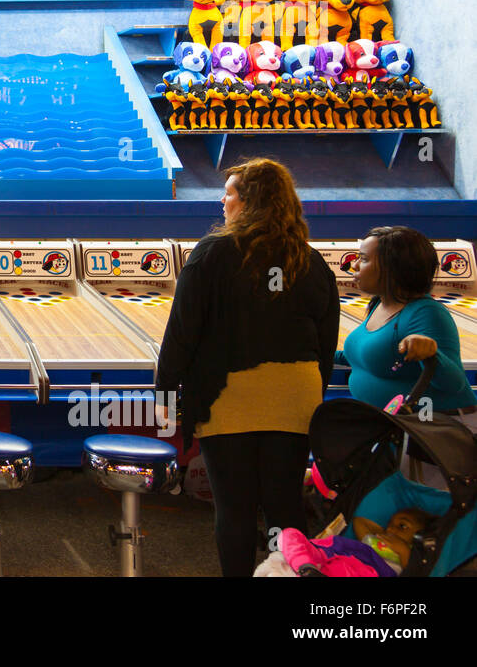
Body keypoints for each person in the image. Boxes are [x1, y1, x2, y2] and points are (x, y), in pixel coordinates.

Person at [155, 159, 340, 577]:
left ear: (250, 201)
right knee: (285, 504)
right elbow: (325, 343)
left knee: (234, 506)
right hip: (297, 394)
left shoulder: (213, 252)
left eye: (231, 193)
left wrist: (165, 394)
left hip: (230, 393)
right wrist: (314, 396)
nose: (223, 200)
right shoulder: (309, 261)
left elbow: (183, 331)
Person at [343, 226, 477, 479]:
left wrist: (431, 353)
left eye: (363, 259)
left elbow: (455, 384)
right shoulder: (381, 305)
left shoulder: (426, 313)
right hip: (397, 433)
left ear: (393, 268)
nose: (354, 268)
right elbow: (364, 358)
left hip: (431, 439)